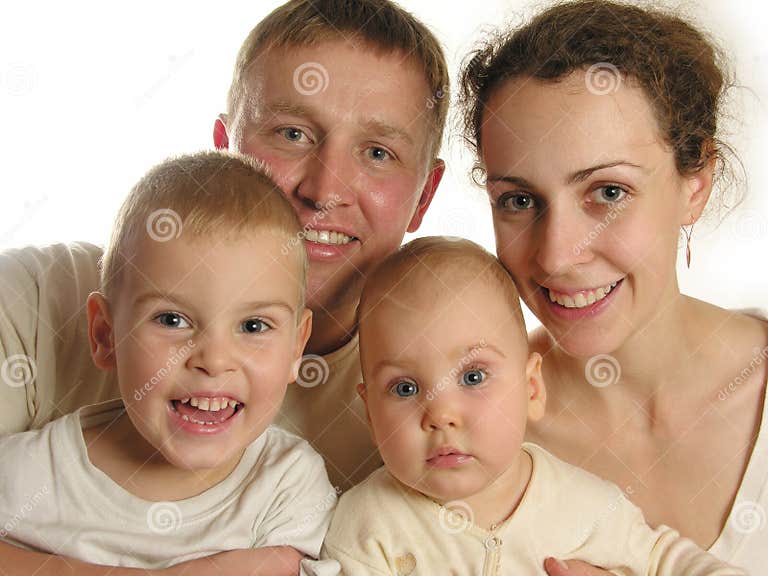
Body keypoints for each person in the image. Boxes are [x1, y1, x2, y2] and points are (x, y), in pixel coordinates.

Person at [458, 1, 767, 573]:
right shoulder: (460, 434)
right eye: (520, 201)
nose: (557, 255)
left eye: (608, 192)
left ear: (696, 182)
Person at [320, 236, 747, 575]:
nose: (441, 415)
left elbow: (664, 560)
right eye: (405, 389)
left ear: (531, 390)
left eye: (472, 377)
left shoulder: (584, 504)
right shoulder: (367, 526)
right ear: (371, 414)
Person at [0, 151, 340, 576]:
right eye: (172, 320)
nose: (214, 360)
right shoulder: (34, 473)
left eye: (253, 326)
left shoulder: (287, 486)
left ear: (295, 347)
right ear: (105, 335)